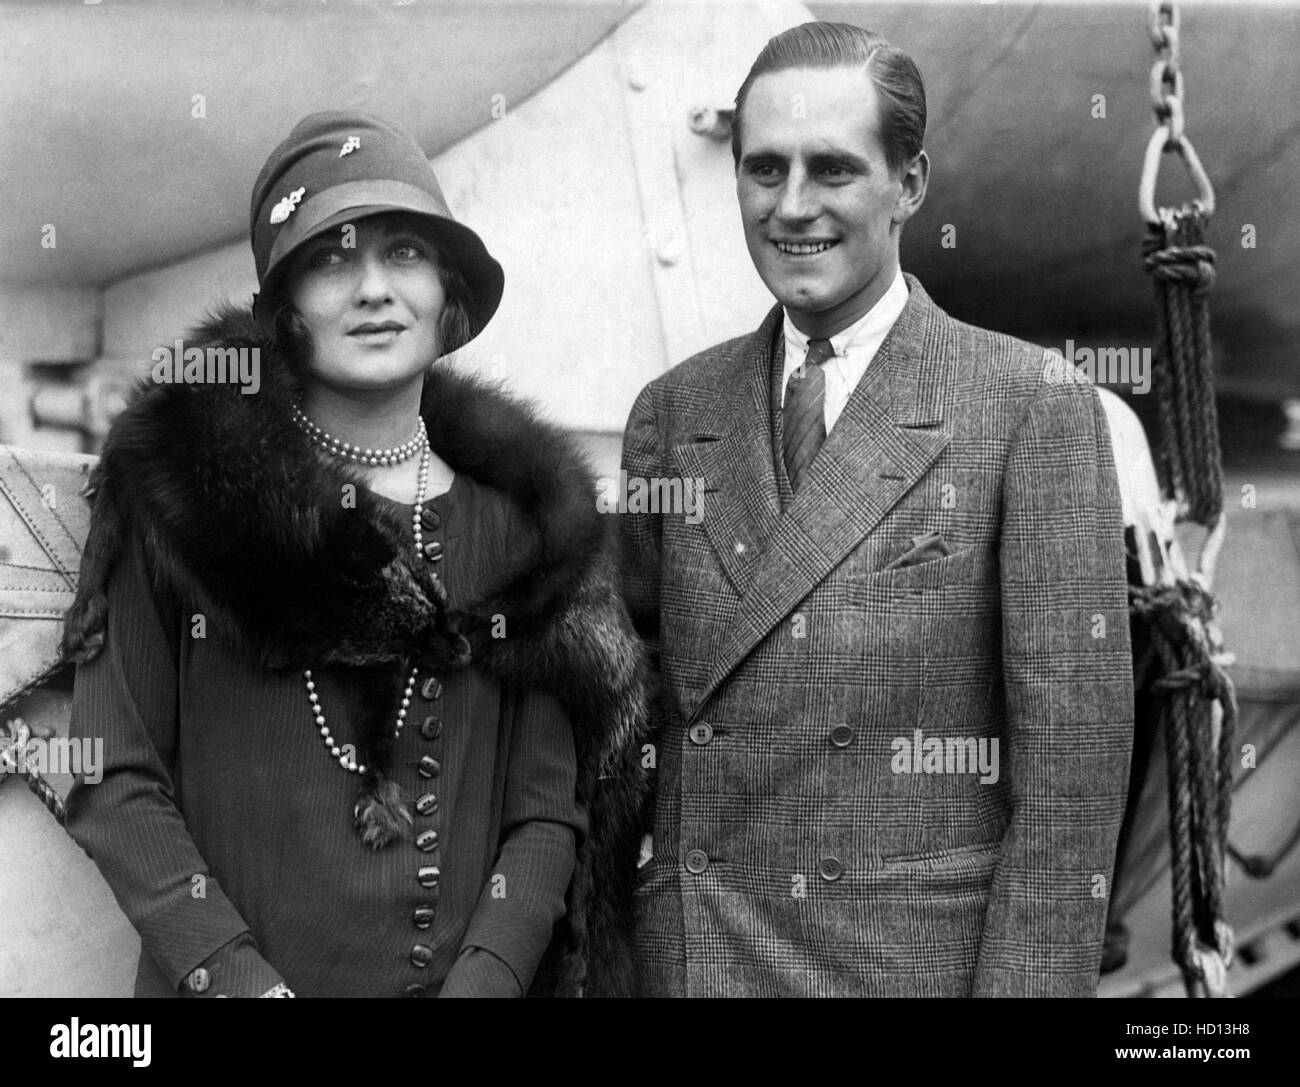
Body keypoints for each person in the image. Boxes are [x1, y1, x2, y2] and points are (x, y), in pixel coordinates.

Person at [62, 111, 649, 998]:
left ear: (446, 291)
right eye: (332, 259)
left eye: (405, 254)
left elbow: (544, 811)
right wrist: (240, 982)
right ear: (284, 311)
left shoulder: (525, 531)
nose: (374, 289)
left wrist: (484, 980)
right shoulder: (179, 507)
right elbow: (112, 776)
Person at [620, 23, 1135, 996]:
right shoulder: (674, 409)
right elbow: (629, 707)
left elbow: (1069, 786)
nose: (793, 207)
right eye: (762, 170)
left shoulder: (1031, 405)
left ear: (909, 184)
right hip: (698, 964)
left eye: (832, 170)